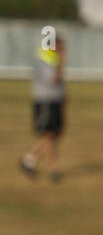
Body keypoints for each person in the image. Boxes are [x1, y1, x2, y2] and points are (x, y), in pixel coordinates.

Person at [19, 34, 67, 183]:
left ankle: (29, 159)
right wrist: (60, 62)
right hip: (45, 101)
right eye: (60, 47)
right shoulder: (44, 59)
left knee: (53, 135)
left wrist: (64, 96)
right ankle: (52, 170)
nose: (63, 50)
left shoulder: (53, 59)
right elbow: (53, 79)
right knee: (49, 134)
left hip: (54, 100)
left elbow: (59, 83)